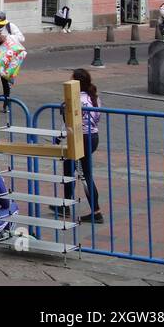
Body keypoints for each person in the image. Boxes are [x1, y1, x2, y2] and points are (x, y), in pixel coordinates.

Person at [54, 68, 103, 224]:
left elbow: (69, 122)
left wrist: (59, 137)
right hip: (93, 136)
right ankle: (66, 205)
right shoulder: (94, 97)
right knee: (70, 168)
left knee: (84, 174)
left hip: (80, 138)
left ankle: (96, 211)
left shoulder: (75, 99)